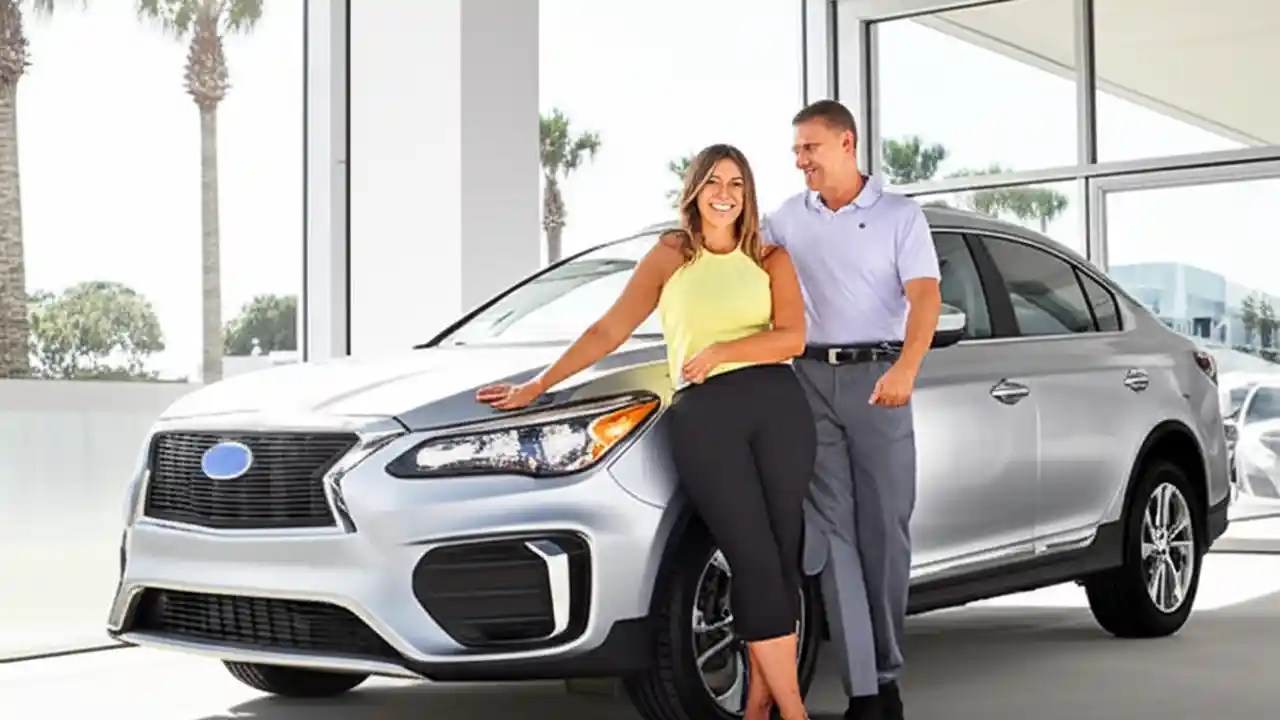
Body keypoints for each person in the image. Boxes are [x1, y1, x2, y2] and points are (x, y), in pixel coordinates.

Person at [475, 143, 817, 720]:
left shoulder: (771, 257)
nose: (725, 194)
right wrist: (537, 385)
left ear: (748, 194)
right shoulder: (671, 255)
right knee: (752, 558)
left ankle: (759, 709)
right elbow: (608, 328)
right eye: (713, 182)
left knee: (781, 562)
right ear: (694, 189)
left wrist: (723, 350)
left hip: (780, 409)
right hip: (707, 417)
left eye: (736, 183)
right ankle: (794, 712)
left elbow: (792, 338)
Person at [761, 100, 942, 720]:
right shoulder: (788, 217)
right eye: (795, 151)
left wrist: (906, 369)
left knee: (884, 531)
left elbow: (925, 298)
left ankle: (886, 670)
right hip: (808, 379)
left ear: (847, 143)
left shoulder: (899, 216)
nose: (800, 160)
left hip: (878, 381)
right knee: (833, 534)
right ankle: (867, 689)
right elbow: (736, 263)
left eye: (809, 148)